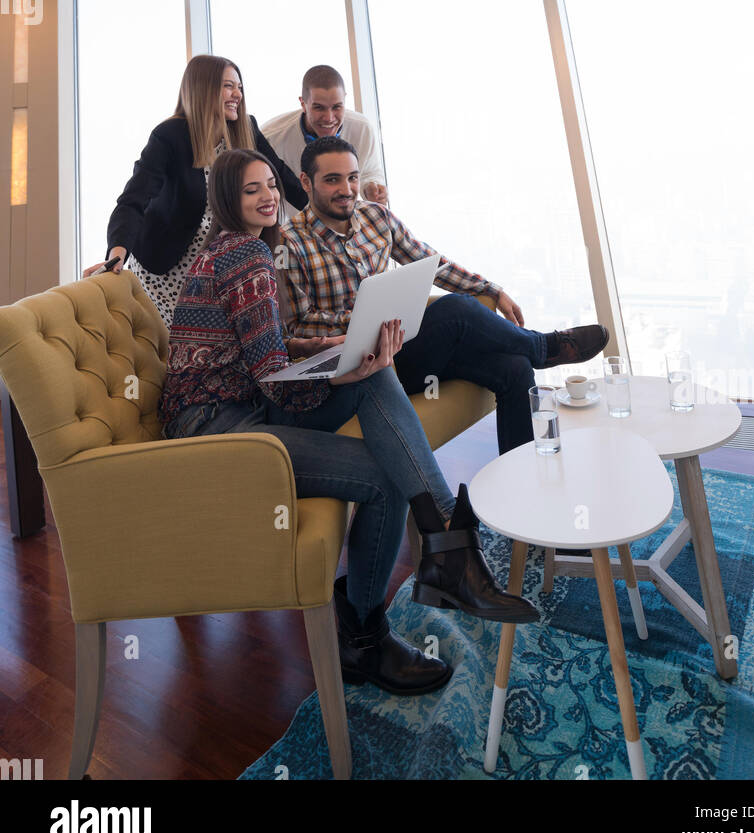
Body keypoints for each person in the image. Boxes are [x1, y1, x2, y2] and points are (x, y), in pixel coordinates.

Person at [159, 147, 538, 696]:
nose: (268, 196)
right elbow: (268, 372)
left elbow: (265, 345)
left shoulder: (240, 250)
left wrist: (334, 348)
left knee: (375, 374)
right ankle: (368, 634)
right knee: (381, 471)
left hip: (239, 405)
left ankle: (444, 550)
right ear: (226, 199)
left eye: (270, 184)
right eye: (251, 190)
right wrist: (338, 371)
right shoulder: (248, 257)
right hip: (214, 427)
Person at [279, 137, 610, 456]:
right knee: (454, 311)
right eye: (333, 180)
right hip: (366, 369)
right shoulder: (289, 242)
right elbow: (297, 327)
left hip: (409, 347)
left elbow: (431, 264)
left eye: (352, 178)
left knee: (515, 369)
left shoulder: (375, 217)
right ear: (306, 182)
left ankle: (519, 482)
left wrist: (491, 289)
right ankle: (542, 347)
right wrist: (364, 318)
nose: (347, 189)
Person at [82, 54, 308, 329]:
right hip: (168, 265)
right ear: (203, 88)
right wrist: (116, 253)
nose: (237, 94)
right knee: (186, 343)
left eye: (239, 87)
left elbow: (284, 180)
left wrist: (327, 216)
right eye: (228, 86)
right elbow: (133, 201)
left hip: (217, 262)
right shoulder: (169, 136)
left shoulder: (245, 129)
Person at [262, 64, 387, 213]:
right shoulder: (271, 138)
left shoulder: (362, 129)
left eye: (337, 107)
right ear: (303, 104)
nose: (329, 118)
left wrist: (371, 188)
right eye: (319, 108)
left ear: (345, 100)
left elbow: (370, 172)